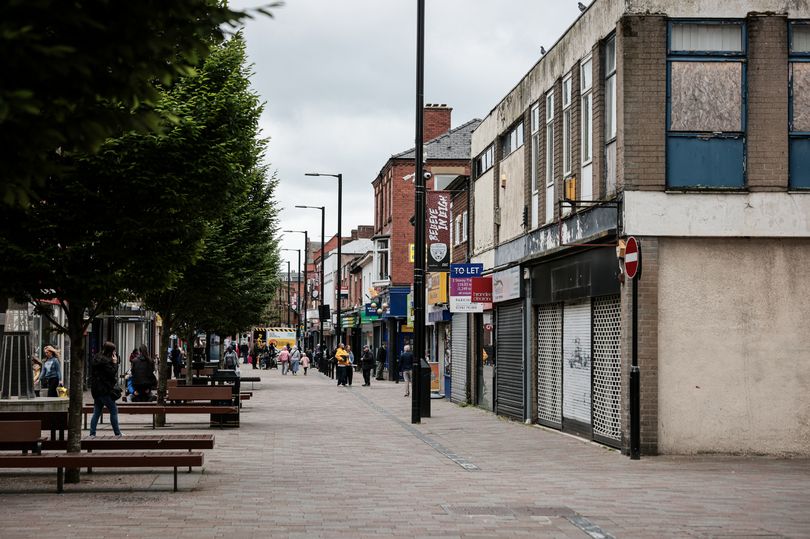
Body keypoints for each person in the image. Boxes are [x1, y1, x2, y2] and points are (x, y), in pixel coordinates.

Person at [88, 341, 123, 437]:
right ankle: (117, 433)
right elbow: (112, 373)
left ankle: (92, 433)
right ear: (111, 351)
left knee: (97, 412)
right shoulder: (106, 362)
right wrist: (115, 363)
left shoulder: (97, 358)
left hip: (96, 390)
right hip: (105, 390)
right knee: (114, 411)